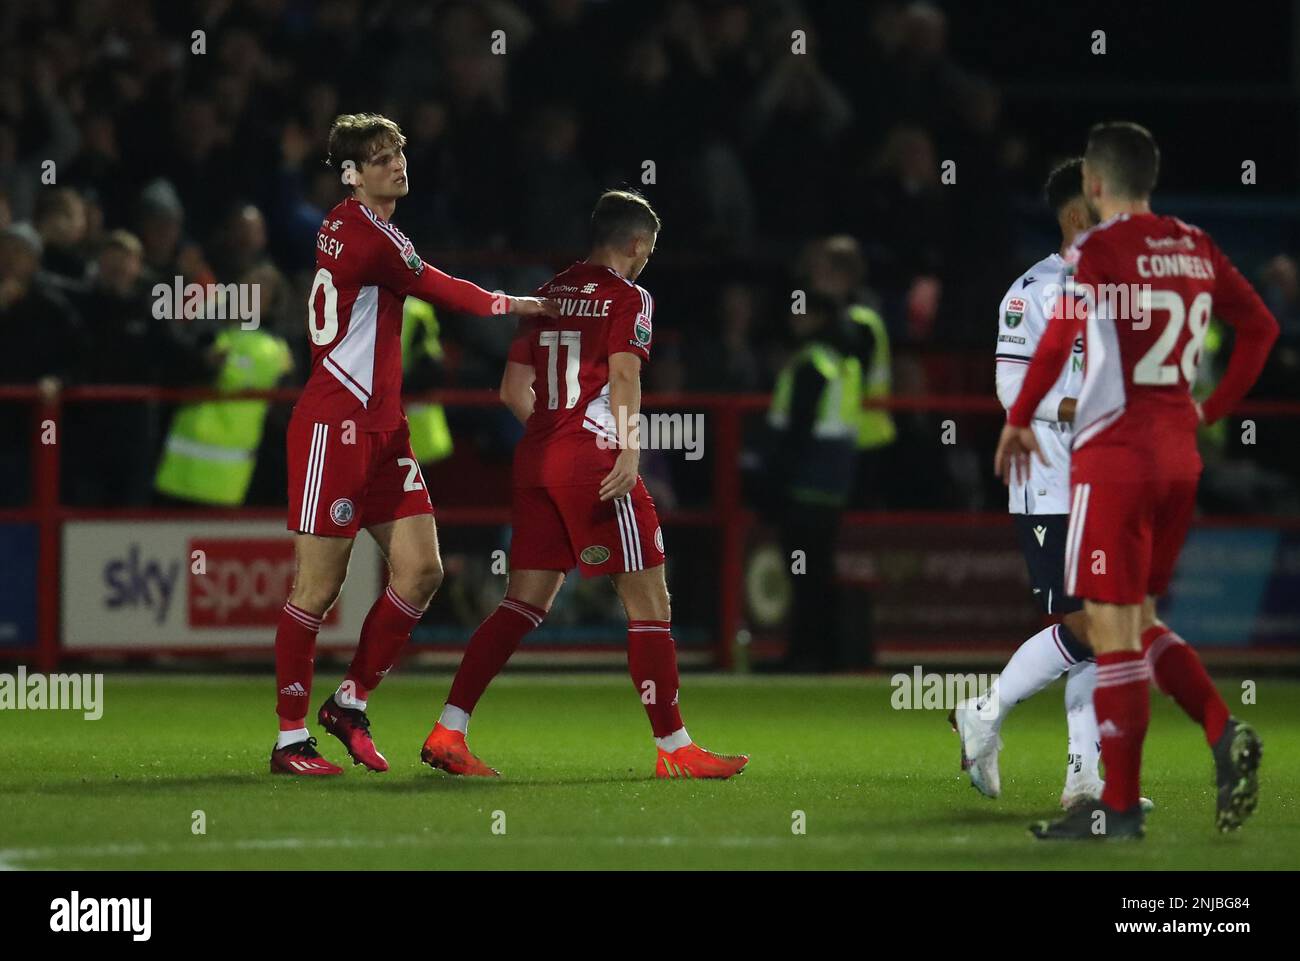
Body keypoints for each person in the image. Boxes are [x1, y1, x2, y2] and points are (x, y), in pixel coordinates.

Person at [995, 122, 1279, 839]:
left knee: (1112, 628)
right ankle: (1215, 732)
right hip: (1179, 459)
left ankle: (1118, 803)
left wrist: (1019, 415)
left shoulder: (1096, 248)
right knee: (1139, 620)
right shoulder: (1194, 243)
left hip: (1115, 459)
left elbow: (1060, 337)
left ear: (1095, 183)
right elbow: (1263, 329)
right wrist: (1210, 410)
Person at [422, 189, 749, 780]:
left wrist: (554, 434)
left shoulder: (546, 294)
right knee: (650, 603)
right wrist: (625, 445)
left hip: (537, 458)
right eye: (649, 246)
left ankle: (450, 727)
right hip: (592, 463)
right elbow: (624, 373)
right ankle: (675, 747)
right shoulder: (629, 296)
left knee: (521, 604)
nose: (648, 256)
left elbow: (509, 391)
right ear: (635, 243)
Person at [270, 113, 555, 776]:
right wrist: (515, 302)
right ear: (351, 174)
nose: (396, 164)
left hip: (384, 430)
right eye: (378, 157)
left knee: (422, 570)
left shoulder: (372, 229)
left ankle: (348, 701)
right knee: (318, 585)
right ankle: (289, 739)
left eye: (397, 151)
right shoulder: (365, 234)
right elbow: (440, 287)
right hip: (333, 427)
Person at [953, 158, 1121, 808]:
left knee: (1106, 628)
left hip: (1110, 482)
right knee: (1094, 624)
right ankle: (987, 711)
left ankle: (1083, 774)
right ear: (1076, 215)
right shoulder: (1032, 291)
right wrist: (1082, 409)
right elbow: (1009, 388)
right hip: (1049, 480)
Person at [763, 291, 860, 671]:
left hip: (806, 485)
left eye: (800, 311)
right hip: (833, 484)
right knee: (815, 571)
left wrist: (775, 484)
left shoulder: (812, 364)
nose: (794, 318)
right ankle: (823, 653)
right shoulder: (841, 361)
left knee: (804, 573)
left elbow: (796, 432)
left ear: (817, 317)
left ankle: (806, 655)